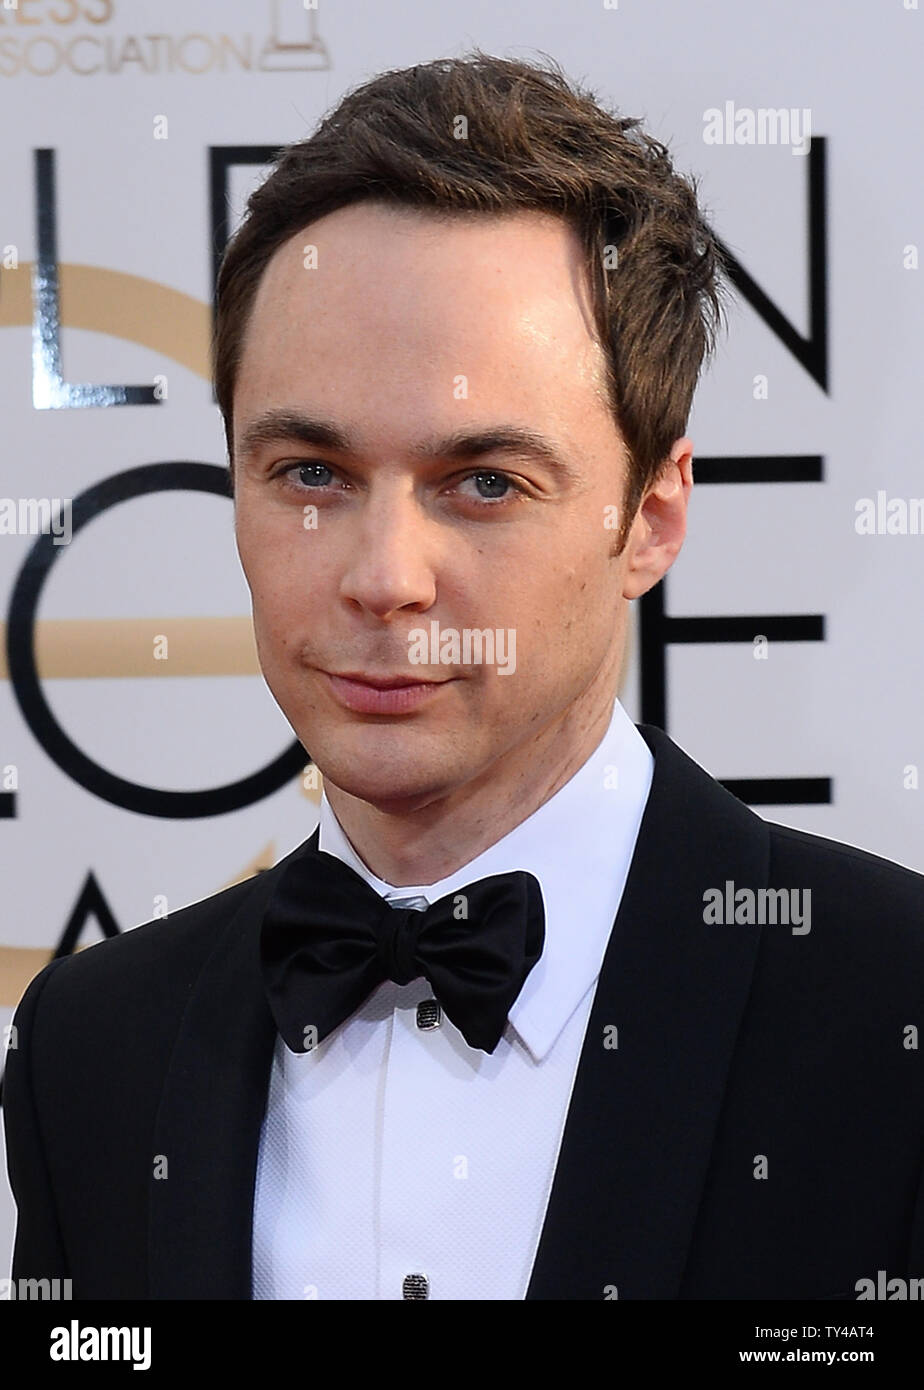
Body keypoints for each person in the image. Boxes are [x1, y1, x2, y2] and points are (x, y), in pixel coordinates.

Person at [5, 51, 924, 1302]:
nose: (385, 578)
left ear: (651, 515)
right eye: (311, 473)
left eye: (484, 482)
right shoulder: (91, 1054)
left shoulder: (888, 1010)